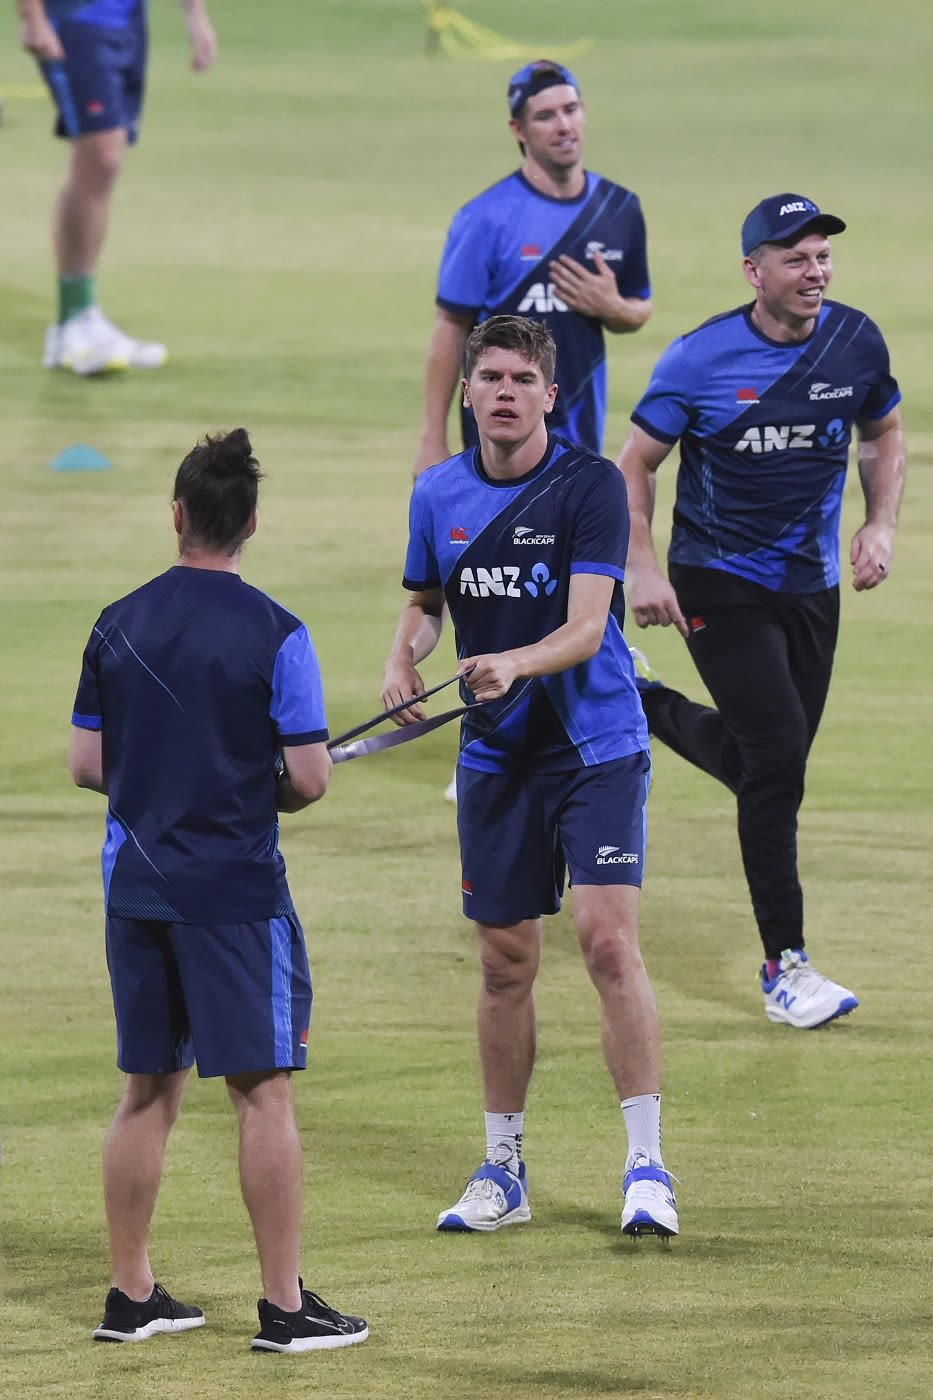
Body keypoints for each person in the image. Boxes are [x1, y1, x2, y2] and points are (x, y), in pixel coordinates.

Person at [69, 428, 368, 1352]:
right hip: (235, 896)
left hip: (137, 889)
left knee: (146, 1091)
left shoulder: (115, 621)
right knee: (262, 1094)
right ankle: (283, 1308)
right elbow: (309, 780)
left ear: (177, 515)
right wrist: (256, 787)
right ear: (249, 524)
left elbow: (88, 764)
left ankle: (132, 1297)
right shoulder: (278, 632)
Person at [382, 315, 678, 1240]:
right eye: (490, 378)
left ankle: (645, 1168)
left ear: (551, 395)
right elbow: (427, 604)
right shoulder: (436, 493)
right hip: (495, 755)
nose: (504, 392)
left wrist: (512, 661)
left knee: (603, 942)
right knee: (505, 962)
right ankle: (503, 1169)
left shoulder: (588, 486)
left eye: (522, 379)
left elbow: (589, 628)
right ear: (466, 392)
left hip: (594, 744)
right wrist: (403, 656)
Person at [617, 193, 906, 1030]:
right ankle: (785, 968)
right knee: (776, 760)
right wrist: (642, 567)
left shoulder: (856, 341)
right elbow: (634, 465)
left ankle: (636, 700)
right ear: (754, 272)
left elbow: (883, 431)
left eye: (821, 257)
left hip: (810, 583)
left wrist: (877, 522)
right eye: (795, 258)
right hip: (715, 580)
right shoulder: (698, 360)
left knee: (763, 766)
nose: (814, 272)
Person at [418, 58, 653, 801]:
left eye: (573, 109)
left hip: (576, 436)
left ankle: (593, 710)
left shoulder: (619, 208)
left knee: (585, 575)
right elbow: (450, 328)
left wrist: (612, 307)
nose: (565, 125)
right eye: (547, 114)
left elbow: (639, 307)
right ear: (518, 130)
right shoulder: (485, 218)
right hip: (500, 445)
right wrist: (430, 435)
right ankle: (491, 727)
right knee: (499, 578)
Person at [18, 0, 217, 375]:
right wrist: (32, 17)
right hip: (74, 18)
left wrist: (195, 15)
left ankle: (78, 322)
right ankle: (74, 322)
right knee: (100, 156)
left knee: (105, 165)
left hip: (126, 19)